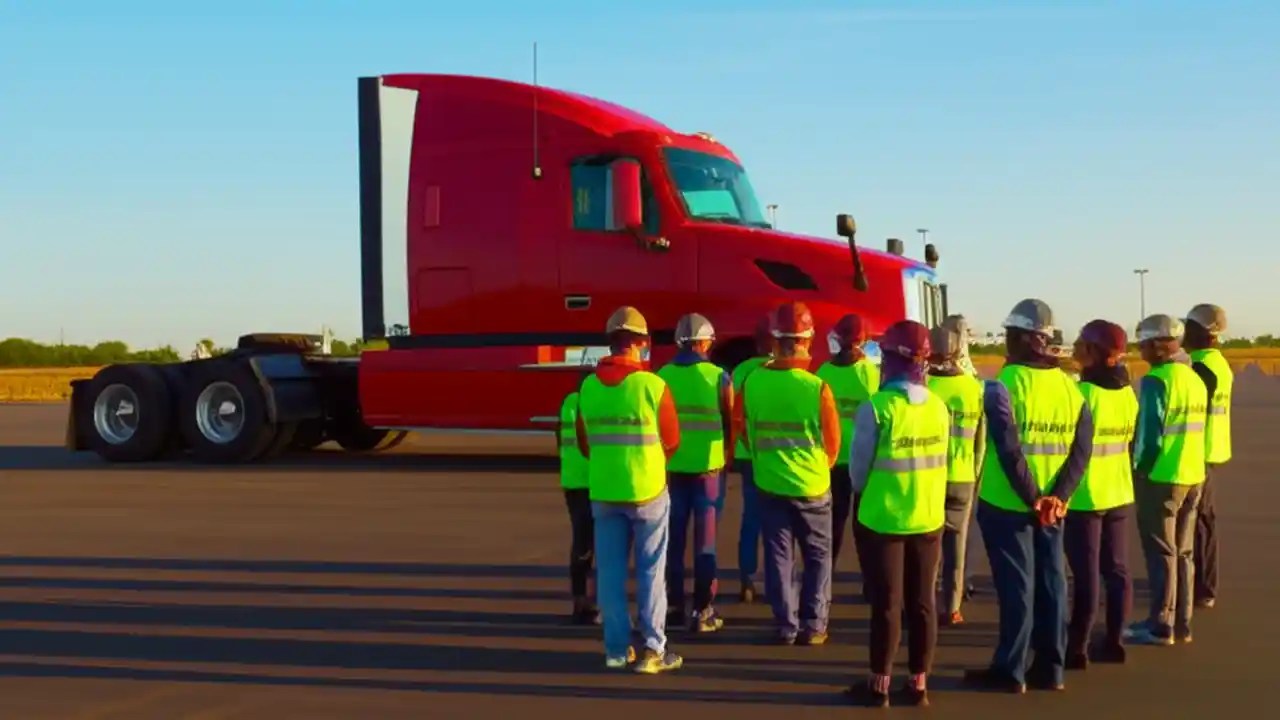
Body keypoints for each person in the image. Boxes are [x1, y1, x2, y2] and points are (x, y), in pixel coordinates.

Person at [964, 299, 1092, 694]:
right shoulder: (1072, 389)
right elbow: (1081, 451)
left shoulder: (1002, 385)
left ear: (1021, 339)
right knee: (1053, 585)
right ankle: (1051, 669)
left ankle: (1010, 670)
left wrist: (1034, 497)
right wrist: (1057, 497)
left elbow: (1007, 448)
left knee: (1018, 589)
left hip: (1009, 505)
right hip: (1054, 509)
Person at [845, 320, 950, 708]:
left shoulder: (877, 408)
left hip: (883, 520)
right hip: (927, 518)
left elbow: (858, 474)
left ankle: (879, 685)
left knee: (887, 606)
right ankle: (919, 684)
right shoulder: (939, 408)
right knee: (923, 604)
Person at [576, 306, 683, 673]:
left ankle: (617, 650)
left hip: (605, 491)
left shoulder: (587, 387)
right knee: (652, 571)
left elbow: (585, 444)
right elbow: (672, 440)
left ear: (610, 343)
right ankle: (653, 649)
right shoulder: (653, 386)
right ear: (643, 343)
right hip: (648, 491)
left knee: (610, 574)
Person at [735, 301, 841, 645]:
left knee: (779, 557)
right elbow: (833, 443)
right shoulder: (817, 387)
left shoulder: (752, 382)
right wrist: (815, 469)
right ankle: (814, 625)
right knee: (818, 557)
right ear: (807, 341)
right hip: (812, 487)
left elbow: (743, 431)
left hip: (770, 484)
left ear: (774, 340)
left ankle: (786, 625)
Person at [1125, 314, 1208, 646]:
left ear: (1159, 346)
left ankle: (1160, 623)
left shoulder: (1157, 381)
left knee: (1161, 552)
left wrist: (1138, 469)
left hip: (1162, 476)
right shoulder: (1193, 379)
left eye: (1144, 343)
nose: (1141, 350)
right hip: (1193, 473)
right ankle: (1183, 623)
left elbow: (1148, 437)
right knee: (1184, 552)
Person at [1064, 320, 1138, 668]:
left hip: (1085, 497)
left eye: (1081, 343)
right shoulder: (1127, 393)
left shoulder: (1083, 395)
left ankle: (1077, 646)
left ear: (1093, 352)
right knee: (1117, 570)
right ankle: (1114, 639)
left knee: (1087, 574)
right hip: (1120, 491)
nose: (1076, 347)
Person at [658, 313, 734, 633]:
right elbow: (730, 422)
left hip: (673, 470)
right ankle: (703, 611)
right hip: (708, 472)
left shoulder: (661, 377)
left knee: (673, 542)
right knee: (705, 544)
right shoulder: (719, 377)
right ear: (705, 343)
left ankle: (674, 606)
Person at [925, 323, 985, 628]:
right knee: (957, 547)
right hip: (963, 478)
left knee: (928, 545)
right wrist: (973, 474)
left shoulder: (924, 386)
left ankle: (925, 603)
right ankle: (952, 607)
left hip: (930, 476)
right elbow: (981, 441)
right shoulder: (973, 387)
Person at [815, 313, 880, 572]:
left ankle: (824, 575)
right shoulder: (870, 374)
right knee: (864, 525)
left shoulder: (824, 372)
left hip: (832, 460)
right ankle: (869, 579)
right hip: (864, 458)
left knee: (832, 524)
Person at [1183, 304, 1232, 609]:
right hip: (1212, 447)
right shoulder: (1219, 363)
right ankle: (1203, 581)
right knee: (1204, 520)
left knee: (1199, 522)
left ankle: (1203, 586)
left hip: (1196, 451)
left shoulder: (1198, 367)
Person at [730, 315, 774, 603]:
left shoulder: (741, 372)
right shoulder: (782, 371)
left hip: (747, 455)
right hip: (775, 455)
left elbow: (732, 412)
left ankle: (747, 579)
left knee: (751, 518)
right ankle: (776, 580)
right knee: (778, 523)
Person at [558, 388, 598, 625]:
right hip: (597, 481)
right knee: (604, 545)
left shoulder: (569, 401)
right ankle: (597, 602)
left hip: (573, 480)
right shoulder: (602, 399)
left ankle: (580, 600)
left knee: (582, 543)